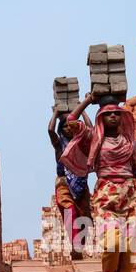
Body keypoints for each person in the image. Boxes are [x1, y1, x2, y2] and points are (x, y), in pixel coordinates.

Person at [61, 94, 136, 272]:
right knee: (112, 243)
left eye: (116, 114)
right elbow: (71, 120)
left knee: (128, 249)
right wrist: (89, 100)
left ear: (122, 117)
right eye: (107, 114)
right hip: (106, 196)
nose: (112, 117)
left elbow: (135, 167)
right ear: (100, 118)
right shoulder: (94, 139)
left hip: (129, 196)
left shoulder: (129, 142)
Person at [47, 107, 93, 255]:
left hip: (81, 183)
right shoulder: (59, 144)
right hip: (63, 183)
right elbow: (50, 130)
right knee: (69, 211)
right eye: (65, 125)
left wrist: (83, 109)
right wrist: (55, 113)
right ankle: (76, 246)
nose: (68, 127)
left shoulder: (82, 143)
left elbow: (91, 129)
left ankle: (78, 248)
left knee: (84, 217)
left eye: (70, 124)